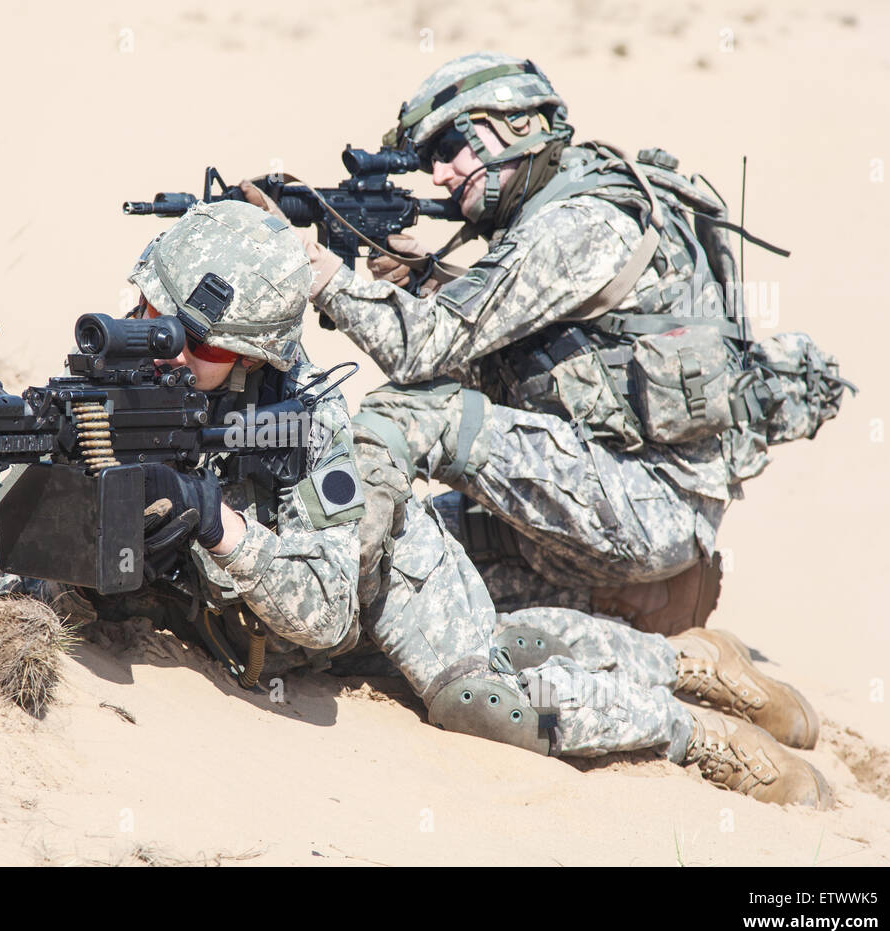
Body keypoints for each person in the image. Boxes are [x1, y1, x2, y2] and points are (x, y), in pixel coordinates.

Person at [0, 198, 831, 806]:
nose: (164, 347)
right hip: (267, 636)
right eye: (147, 315)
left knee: (484, 700)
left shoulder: (308, 425)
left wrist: (214, 520)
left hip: (383, 574)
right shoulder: (121, 395)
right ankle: (680, 657)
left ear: (251, 354)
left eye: (200, 342)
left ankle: (692, 726)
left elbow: (321, 613)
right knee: (522, 643)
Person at [266, 52, 852, 636]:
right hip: (612, 491)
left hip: (647, 504)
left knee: (416, 413)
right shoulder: (575, 200)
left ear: (516, 125)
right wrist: (424, 281)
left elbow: (422, 350)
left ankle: (314, 597)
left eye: (448, 150)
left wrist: (319, 275)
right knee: (413, 562)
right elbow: (523, 354)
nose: (439, 175)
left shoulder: (577, 223)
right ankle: (651, 628)